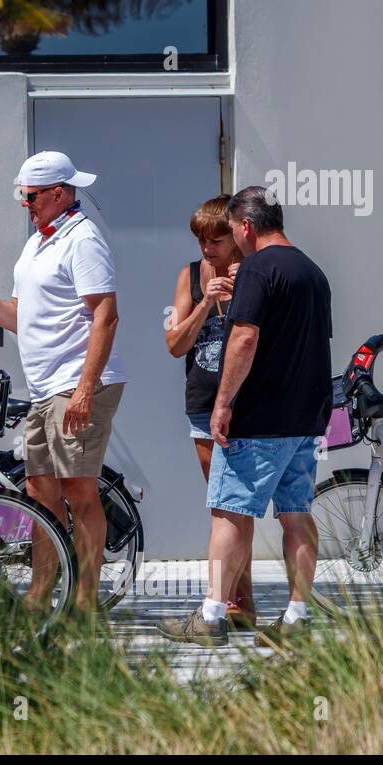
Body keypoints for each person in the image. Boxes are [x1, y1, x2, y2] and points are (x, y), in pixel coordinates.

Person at [0, 150, 126, 617]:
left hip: (78, 381)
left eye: (29, 197)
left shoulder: (83, 239)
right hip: (46, 387)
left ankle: (85, 603)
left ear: (58, 193)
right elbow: (18, 316)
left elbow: (106, 314)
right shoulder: (36, 243)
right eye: (20, 196)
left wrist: (86, 389)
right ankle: (40, 596)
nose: (23, 204)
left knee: (78, 490)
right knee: (39, 493)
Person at [158, 186, 332, 647]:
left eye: (232, 230)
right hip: (305, 418)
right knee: (296, 514)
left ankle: (212, 616)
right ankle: (297, 620)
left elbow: (243, 339)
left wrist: (223, 403)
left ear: (246, 226)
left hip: (259, 418)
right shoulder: (312, 270)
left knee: (229, 514)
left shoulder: (257, 267)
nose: (232, 239)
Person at [164, 194, 257, 629]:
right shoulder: (189, 276)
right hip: (203, 405)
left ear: (236, 237)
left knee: (236, 508)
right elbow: (174, 345)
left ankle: (240, 602)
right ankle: (238, 601)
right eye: (201, 240)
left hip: (248, 404)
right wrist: (204, 303)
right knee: (223, 507)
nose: (206, 249)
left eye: (215, 240)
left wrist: (243, 291)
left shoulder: (255, 270)